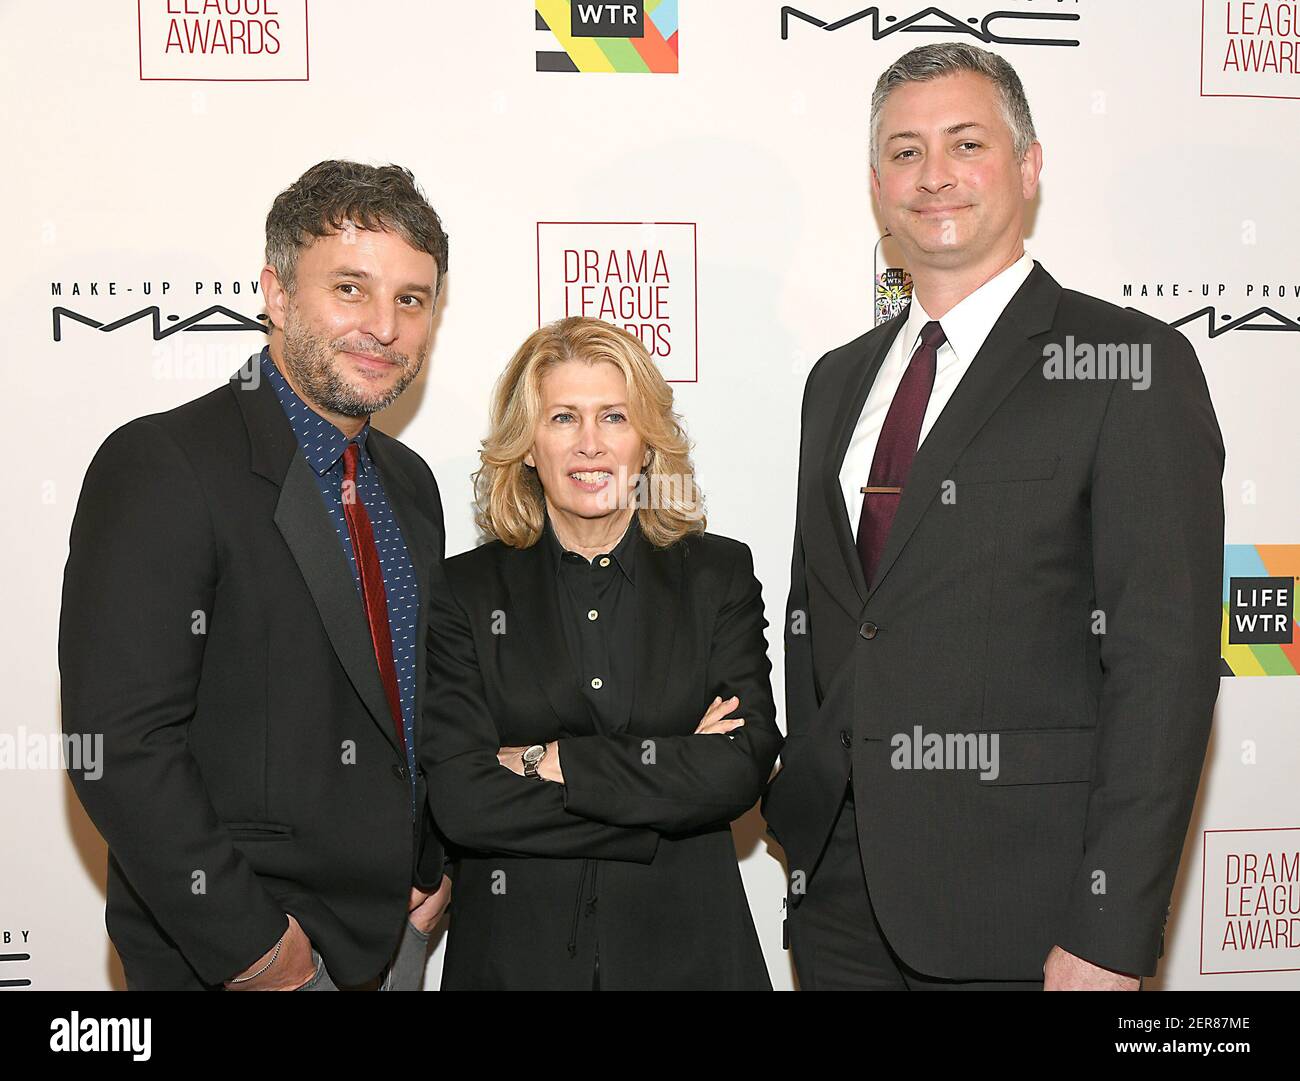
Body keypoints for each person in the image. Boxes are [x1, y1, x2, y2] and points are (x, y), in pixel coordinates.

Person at [762, 43, 1225, 990]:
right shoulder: (837, 379)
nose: (933, 175)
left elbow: (1164, 662)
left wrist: (1110, 930)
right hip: (842, 904)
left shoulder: (1129, 364)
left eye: (965, 143)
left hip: (1030, 915)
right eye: (904, 151)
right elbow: (831, 613)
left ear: (1029, 165)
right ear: (877, 183)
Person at [60, 160, 452, 990]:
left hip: (394, 948)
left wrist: (431, 869)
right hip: (237, 960)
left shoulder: (409, 484)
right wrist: (261, 954)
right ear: (275, 295)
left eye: (411, 299)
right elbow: (120, 748)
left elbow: (411, 700)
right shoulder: (164, 464)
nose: (384, 326)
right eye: (351, 288)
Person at [424, 316, 781, 990]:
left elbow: (739, 766)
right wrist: (664, 797)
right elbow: (464, 800)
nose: (590, 444)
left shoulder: (717, 576)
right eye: (563, 418)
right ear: (527, 444)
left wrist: (543, 760)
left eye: (613, 416)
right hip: (512, 959)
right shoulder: (464, 591)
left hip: (692, 955)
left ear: (646, 440)